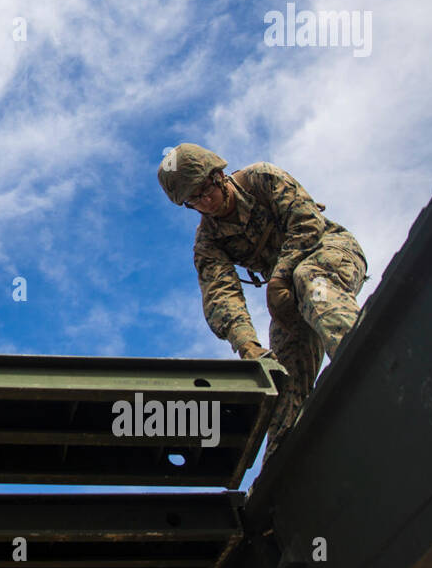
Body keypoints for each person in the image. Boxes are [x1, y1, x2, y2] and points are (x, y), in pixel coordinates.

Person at [157, 143, 367, 461]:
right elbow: (220, 296)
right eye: (193, 200)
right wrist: (248, 347)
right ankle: (283, 468)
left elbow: (307, 223)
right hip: (288, 295)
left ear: (218, 175)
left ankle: (367, 364)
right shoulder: (209, 242)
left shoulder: (262, 179)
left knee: (310, 280)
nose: (204, 202)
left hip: (328, 254)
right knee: (281, 374)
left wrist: (280, 277)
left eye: (204, 190)